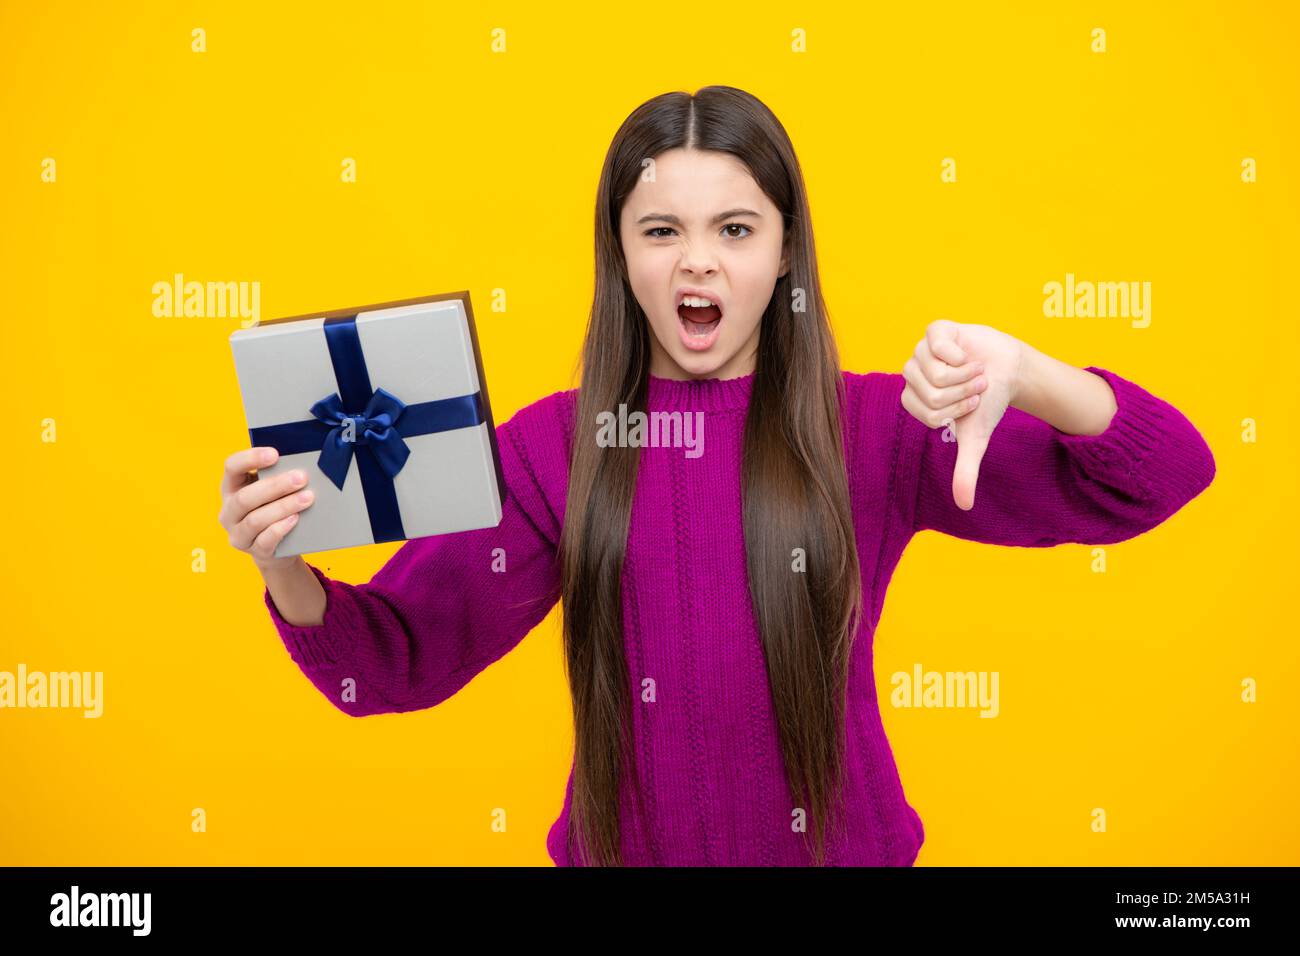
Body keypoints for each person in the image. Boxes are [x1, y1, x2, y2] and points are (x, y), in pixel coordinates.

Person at [217, 86, 1216, 867]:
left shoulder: (875, 427)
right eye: (661, 231)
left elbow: (1167, 472)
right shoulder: (551, 450)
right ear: (620, 253)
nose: (698, 263)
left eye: (735, 229)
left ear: (786, 252)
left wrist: (1033, 372)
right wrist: (286, 564)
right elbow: (388, 667)